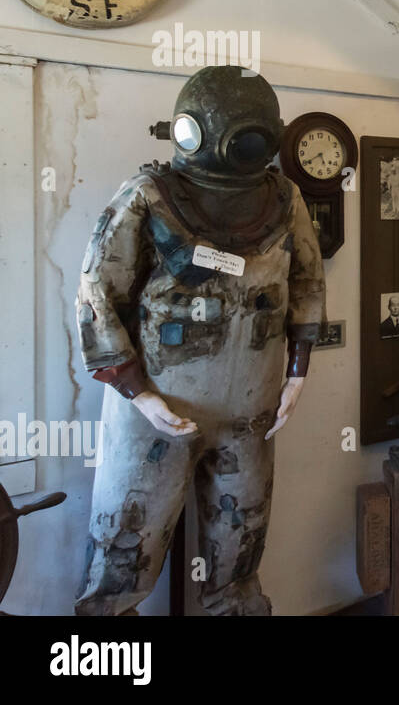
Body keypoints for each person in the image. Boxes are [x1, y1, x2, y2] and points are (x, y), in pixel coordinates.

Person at [74, 65, 326, 616]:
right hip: (156, 412)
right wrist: (136, 389)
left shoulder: (285, 200)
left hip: (251, 413)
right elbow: (98, 293)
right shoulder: (148, 197)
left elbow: (306, 280)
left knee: (239, 556)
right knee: (123, 551)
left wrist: (298, 369)